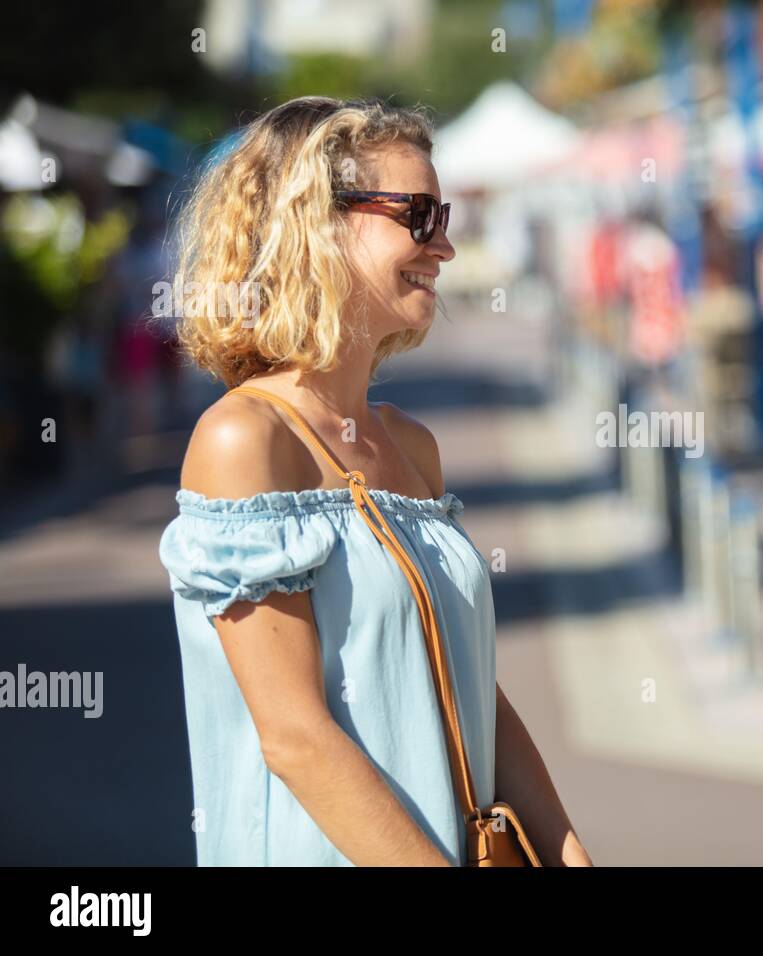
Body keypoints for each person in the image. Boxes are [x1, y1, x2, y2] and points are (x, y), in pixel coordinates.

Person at [157, 96, 591, 866]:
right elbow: (294, 736)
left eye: (444, 214)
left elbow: (468, 690)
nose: (446, 246)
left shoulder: (413, 449)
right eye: (419, 215)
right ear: (316, 226)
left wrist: (566, 854)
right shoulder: (244, 440)